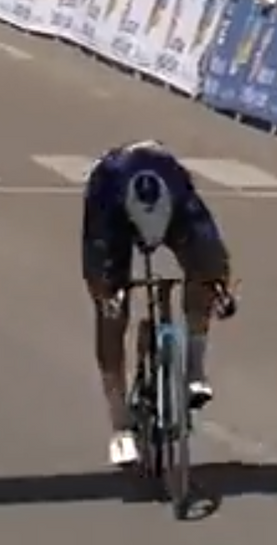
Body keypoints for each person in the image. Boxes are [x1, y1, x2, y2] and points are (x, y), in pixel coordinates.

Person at [82, 140, 237, 466]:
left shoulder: (180, 191)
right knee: (110, 315)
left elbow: (210, 249)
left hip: (174, 210)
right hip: (112, 224)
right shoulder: (106, 193)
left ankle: (194, 367)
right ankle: (120, 426)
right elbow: (98, 263)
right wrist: (109, 294)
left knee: (205, 270)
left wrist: (219, 288)